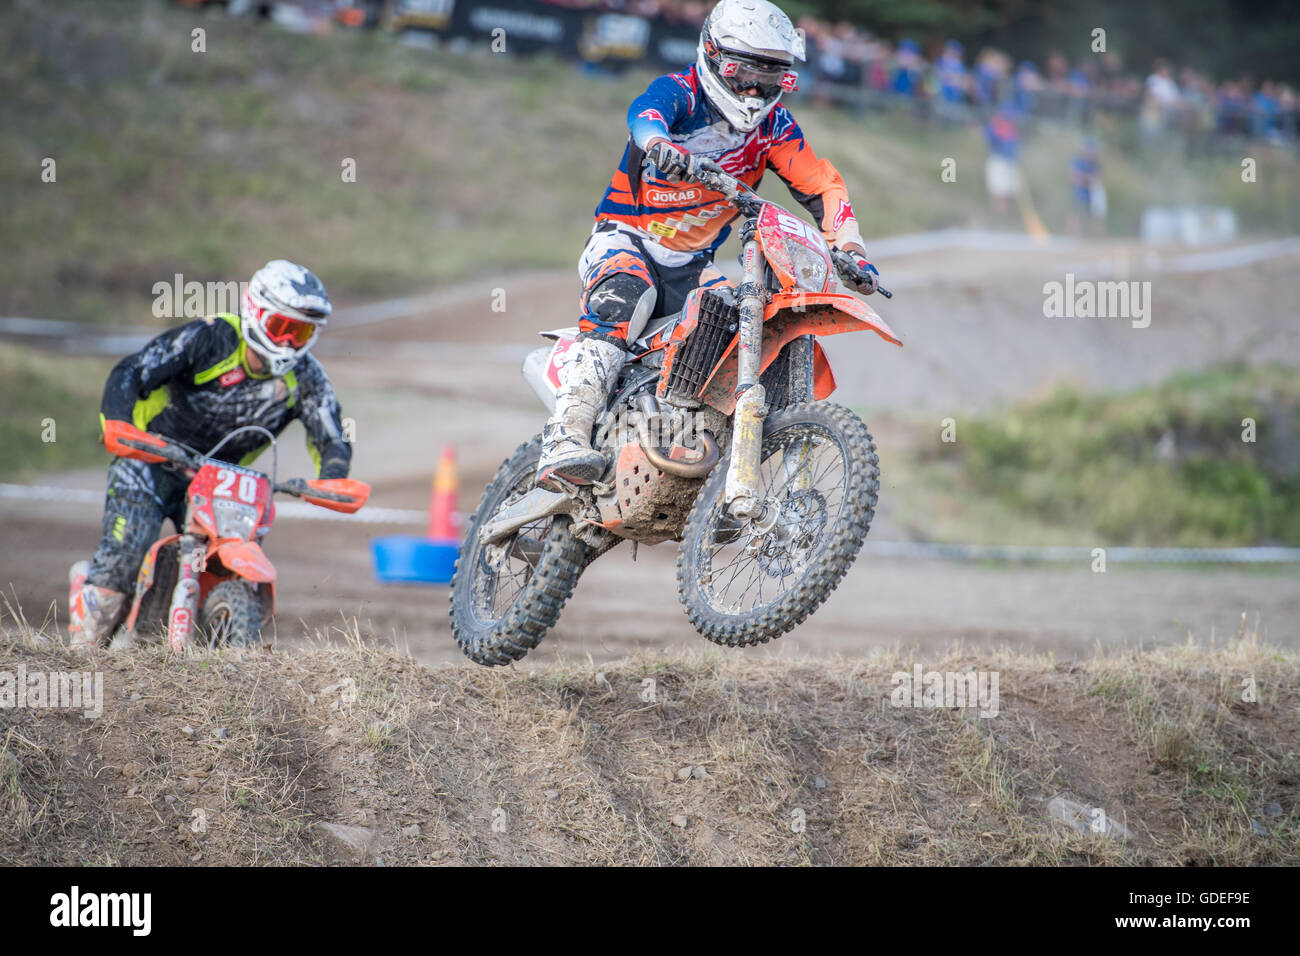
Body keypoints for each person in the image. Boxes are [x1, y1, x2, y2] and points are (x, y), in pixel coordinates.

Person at [536, 0, 879, 488]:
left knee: (745, 330)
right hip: (627, 239)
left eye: (773, 77)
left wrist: (850, 245)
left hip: (693, 264)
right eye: (745, 72)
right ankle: (565, 438)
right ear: (715, 57)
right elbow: (644, 114)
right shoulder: (681, 93)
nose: (757, 88)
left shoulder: (774, 127)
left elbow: (821, 184)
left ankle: (724, 477)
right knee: (625, 299)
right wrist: (658, 143)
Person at [67, 260, 353, 651]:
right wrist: (118, 421)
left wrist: (335, 475)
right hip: (150, 461)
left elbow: (331, 432)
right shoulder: (212, 337)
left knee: (220, 568)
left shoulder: (306, 377)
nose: (288, 342)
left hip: (221, 481)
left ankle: (205, 646)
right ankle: (83, 651)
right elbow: (132, 369)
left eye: (300, 332)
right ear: (256, 312)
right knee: (123, 561)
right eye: (281, 328)